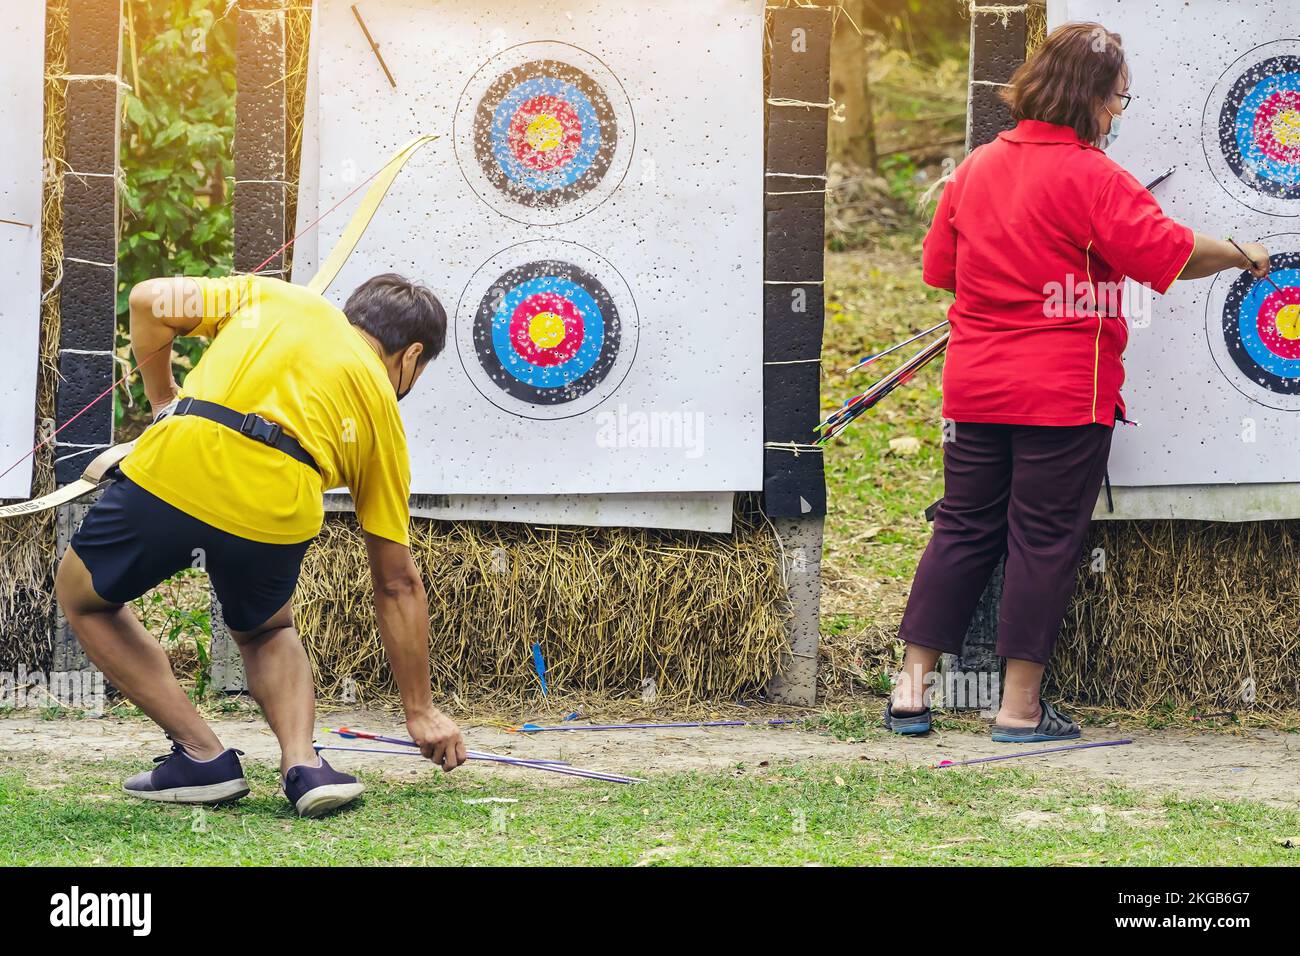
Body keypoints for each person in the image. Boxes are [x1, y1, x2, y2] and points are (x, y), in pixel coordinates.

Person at [885, 22, 1273, 740]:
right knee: (1043, 538)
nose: (1117, 115)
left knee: (962, 529)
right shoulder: (1094, 178)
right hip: (1063, 395)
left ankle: (911, 693)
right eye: (1118, 101)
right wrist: (1241, 251)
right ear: (1094, 99)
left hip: (976, 388)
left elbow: (940, 270)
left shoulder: (975, 169)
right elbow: (1170, 254)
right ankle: (1018, 709)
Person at [54, 271, 468, 816]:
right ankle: (304, 766)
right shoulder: (384, 420)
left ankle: (202, 756)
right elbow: (396, 582)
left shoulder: (278, 296)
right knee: (268, 628)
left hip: (180, 467)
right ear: (411, 356)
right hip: (279, 509)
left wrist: (162, 400)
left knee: (83, 597)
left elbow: (148, 300)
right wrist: (421, 711)